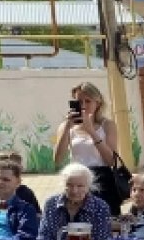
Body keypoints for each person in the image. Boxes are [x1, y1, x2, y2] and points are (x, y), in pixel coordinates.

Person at [53, 81, 124, 215]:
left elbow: (111, 160)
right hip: (76, 179)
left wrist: (92, 132)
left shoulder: (107, 125)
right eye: (79, 102)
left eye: (88, 101)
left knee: (104, 220)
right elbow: (57, 159)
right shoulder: (66, 126)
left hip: (102, 179)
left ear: (97, 103)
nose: (83, 106)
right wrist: (68, 127)